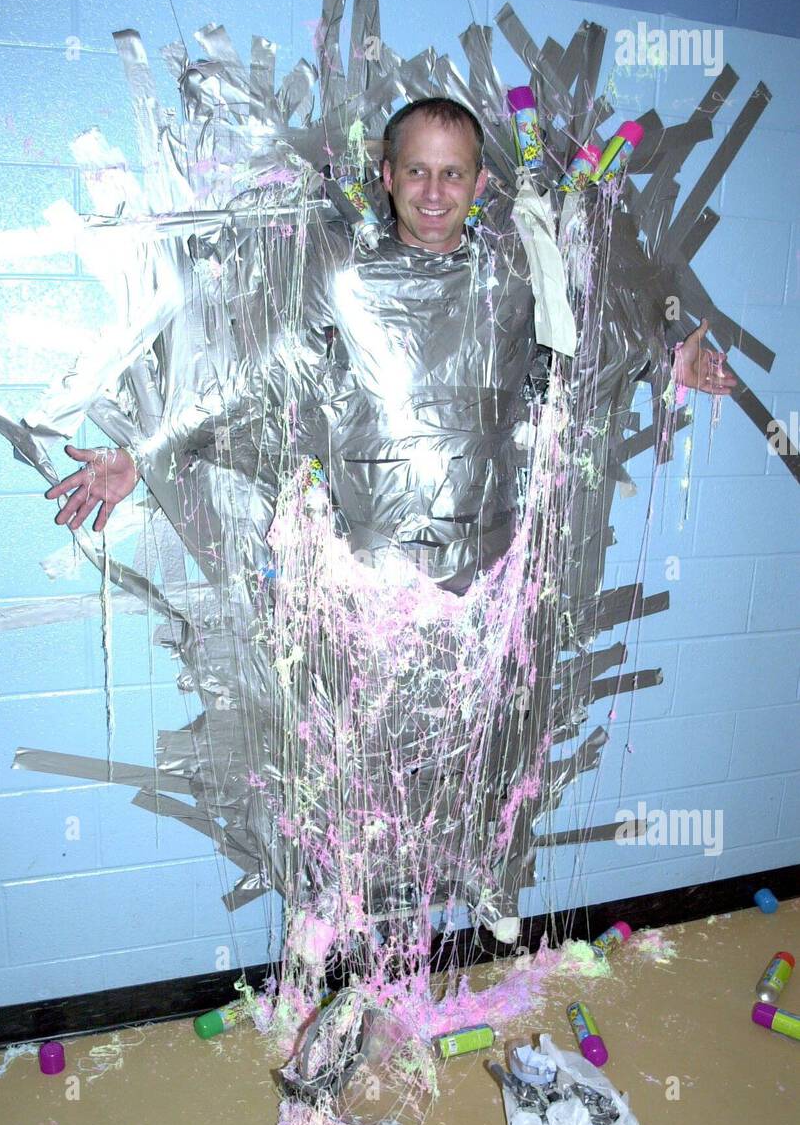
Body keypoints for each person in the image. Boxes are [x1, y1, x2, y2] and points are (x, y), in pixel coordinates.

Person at [44, 97, 737, 939]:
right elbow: (253, 378)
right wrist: (141, 450)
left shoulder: (511, 279)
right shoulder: (346, 283)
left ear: (480, 181)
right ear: (388, 176)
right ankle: (331, 900)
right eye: (417, 170)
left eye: (452, 173)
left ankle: (493, 871)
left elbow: (597, 331)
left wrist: (675, 353)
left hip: (485, 557)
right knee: (353, 741)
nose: (434, 191)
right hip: (369, 564)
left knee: (492, 725)